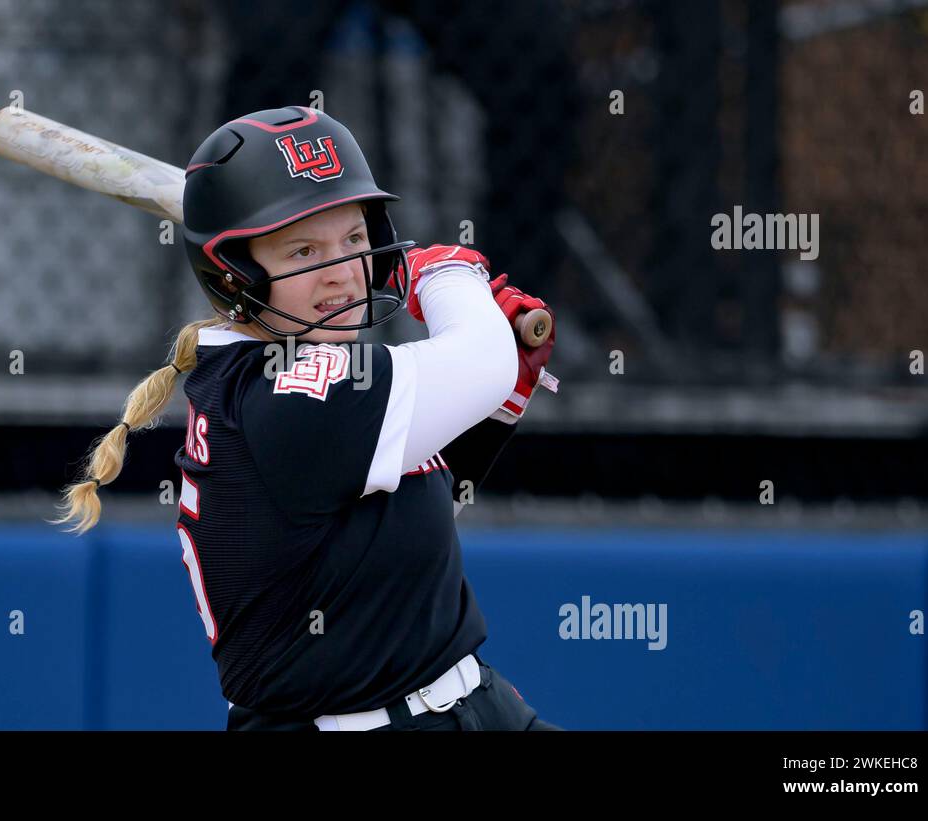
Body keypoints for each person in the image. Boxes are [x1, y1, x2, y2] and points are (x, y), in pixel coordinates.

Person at [54, 106, 561, 731]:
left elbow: (393, 531)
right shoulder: (287, 394)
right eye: (302, 252)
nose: (343, 274)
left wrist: (500, 402)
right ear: (235, 275)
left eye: (353, 240)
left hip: (475, 705)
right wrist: (448, 272)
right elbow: (479, 364)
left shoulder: (300, 379)